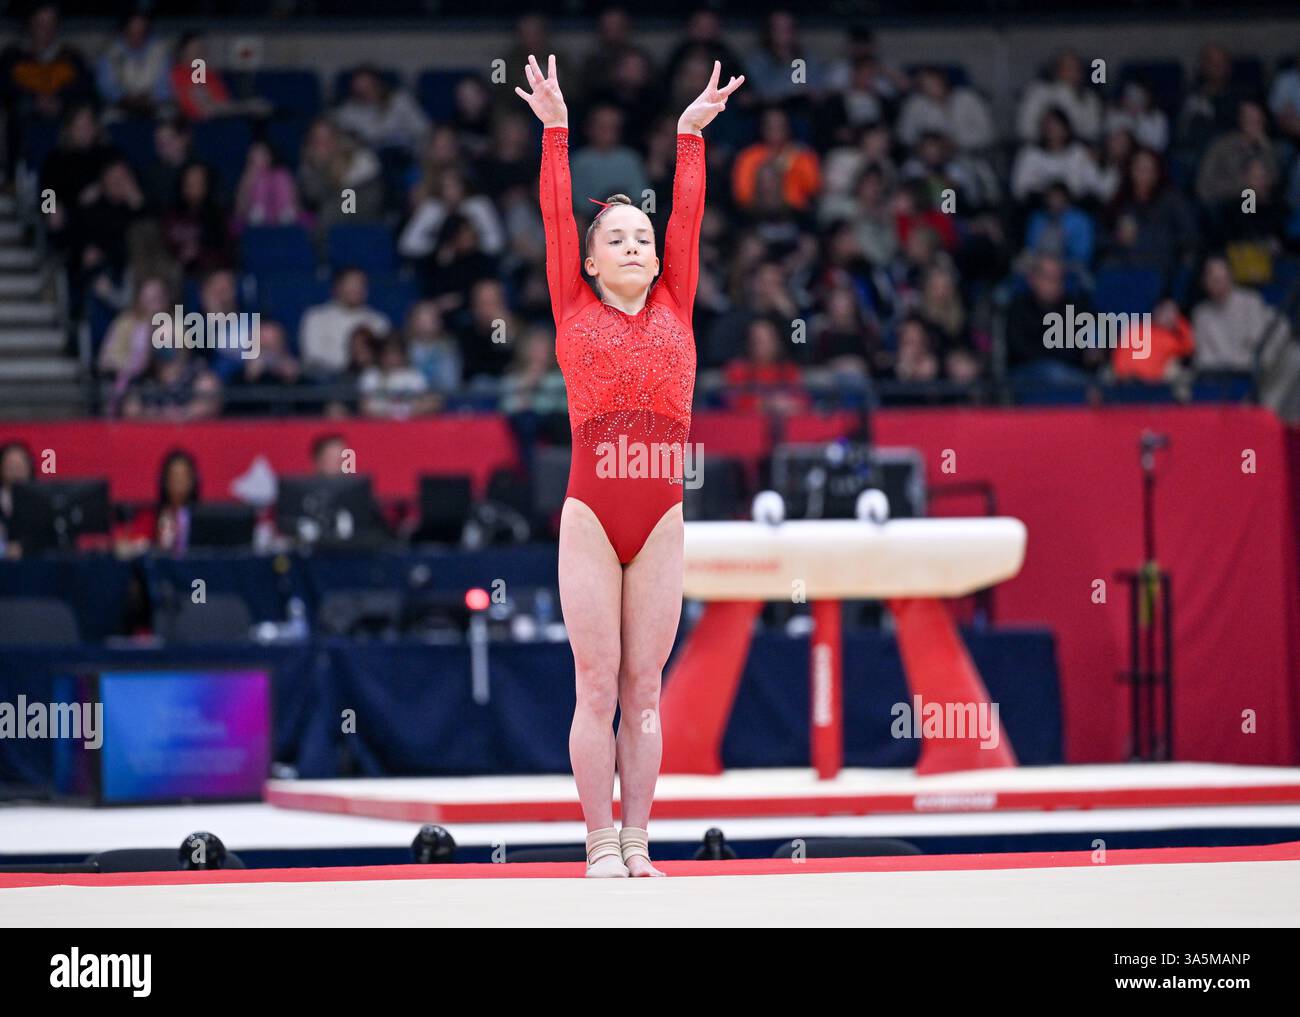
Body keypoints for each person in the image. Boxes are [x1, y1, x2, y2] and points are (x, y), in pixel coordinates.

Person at [519, 53, 742, 877]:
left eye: (643, 237)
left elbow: (686, 216)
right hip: (588, 511)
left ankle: (641, 839)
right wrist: (555, 132)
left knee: (646, 688)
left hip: (659, 518)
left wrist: (689, 136)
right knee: (597, 683)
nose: (637, 244)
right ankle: (597, 840)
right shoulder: (571, 302)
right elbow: (552, 214)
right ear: (589, 260)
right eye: (616, 237)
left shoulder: (676, 300)